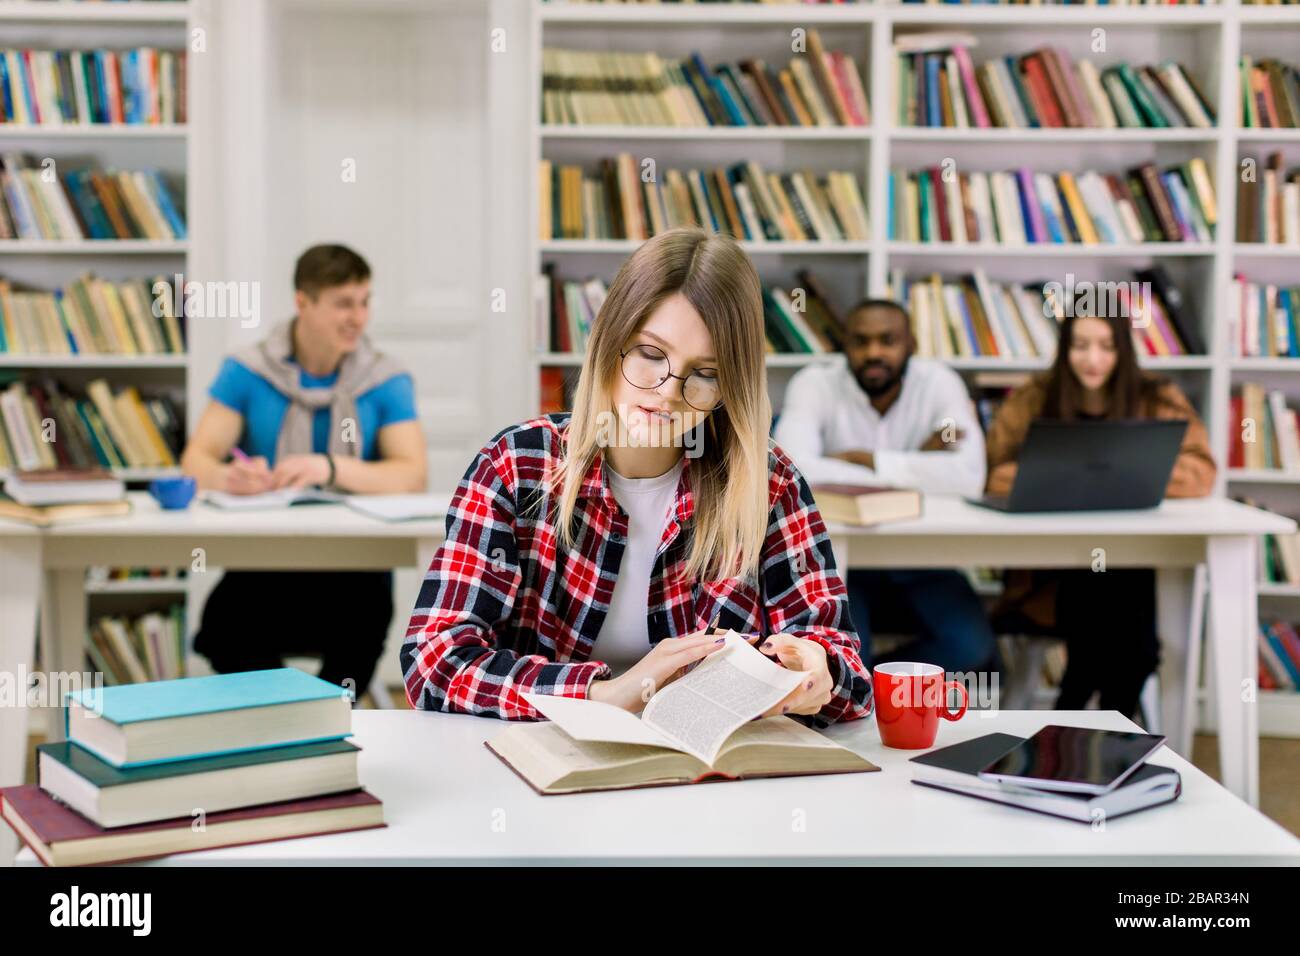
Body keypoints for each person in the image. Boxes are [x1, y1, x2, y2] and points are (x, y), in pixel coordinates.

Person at [402, 228, 873, 725]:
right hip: (547, 767)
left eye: (706, 373)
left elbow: (847, 673)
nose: (668, 391)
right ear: (611, 340)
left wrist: (822, 672)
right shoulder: (517, 465)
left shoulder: (768, 482)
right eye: (651, 355)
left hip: (711, 778)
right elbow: (433, 661)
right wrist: (608, 694)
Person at [182, 243, 427, 697]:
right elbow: (196, 460)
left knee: (358, 641)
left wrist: (330, 468)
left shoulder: (384, 377)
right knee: (221, 634)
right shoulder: (247, 371)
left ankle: (302, 722)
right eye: (342, 304)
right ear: (303, 303)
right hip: (266, 563)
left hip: (355, 571)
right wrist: (227, 478)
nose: (358, 317)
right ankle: (297, 716)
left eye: (365, 301)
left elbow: (412, 475)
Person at [985, 309, 1216, 720]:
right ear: (1064, 349)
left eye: (1107, 347)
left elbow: (1201, 472)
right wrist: (1106, 469)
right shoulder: (1035, 396)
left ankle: (1075, 704)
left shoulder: (1156, 396)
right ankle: (1111, 721)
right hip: (1049, 573)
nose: (1093, 359)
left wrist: (1091, 469)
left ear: (1124, 351)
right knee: (1112, 605)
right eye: (1081, 345)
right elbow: (995, 475)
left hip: (1130, 567)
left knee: (1117, 588)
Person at [773, 299, 998, 677]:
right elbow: (793, 469)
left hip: (922, 558)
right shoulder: (814, 384)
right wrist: (918, 463)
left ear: (910, 344)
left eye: (887, 340)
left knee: (971, 648)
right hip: (841, 561)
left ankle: (865, 685)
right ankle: (854, 684)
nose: (873, 352)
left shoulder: (940, 383)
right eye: (861, 342)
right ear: (844, 345)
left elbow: (969, 474)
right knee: (844, 652)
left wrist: (868, 460)